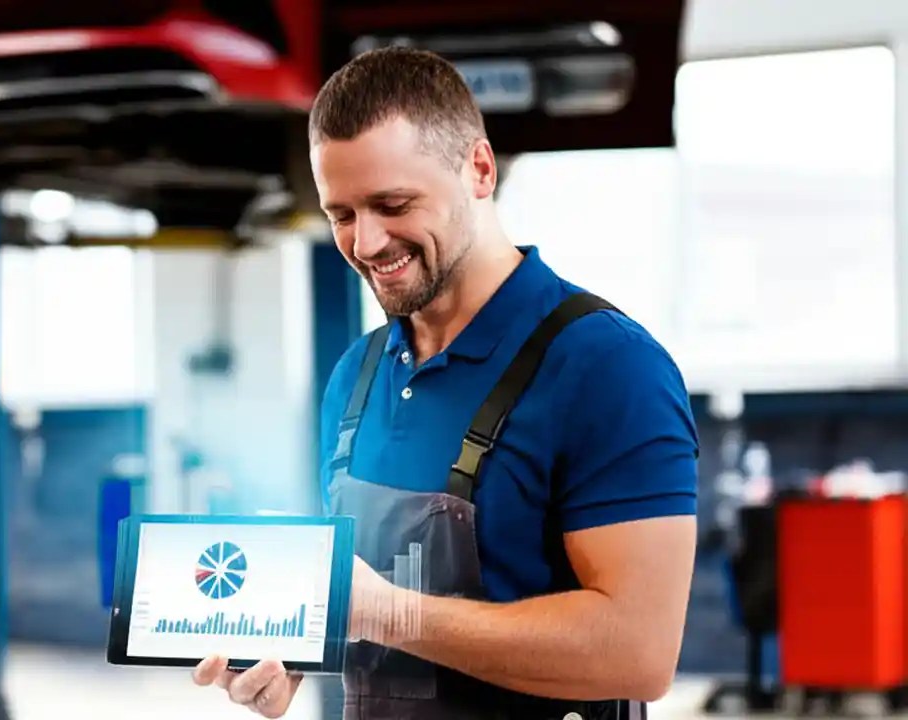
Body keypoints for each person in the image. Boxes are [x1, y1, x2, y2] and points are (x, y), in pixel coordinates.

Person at [193, 46, 698, 719]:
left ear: (479, 170)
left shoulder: (608, 368)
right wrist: (289, 654)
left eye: (393, 204)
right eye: (341, 214)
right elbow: (351, 606)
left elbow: (638, 651)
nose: (367, 243)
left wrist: (388, 614)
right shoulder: (357, 377)